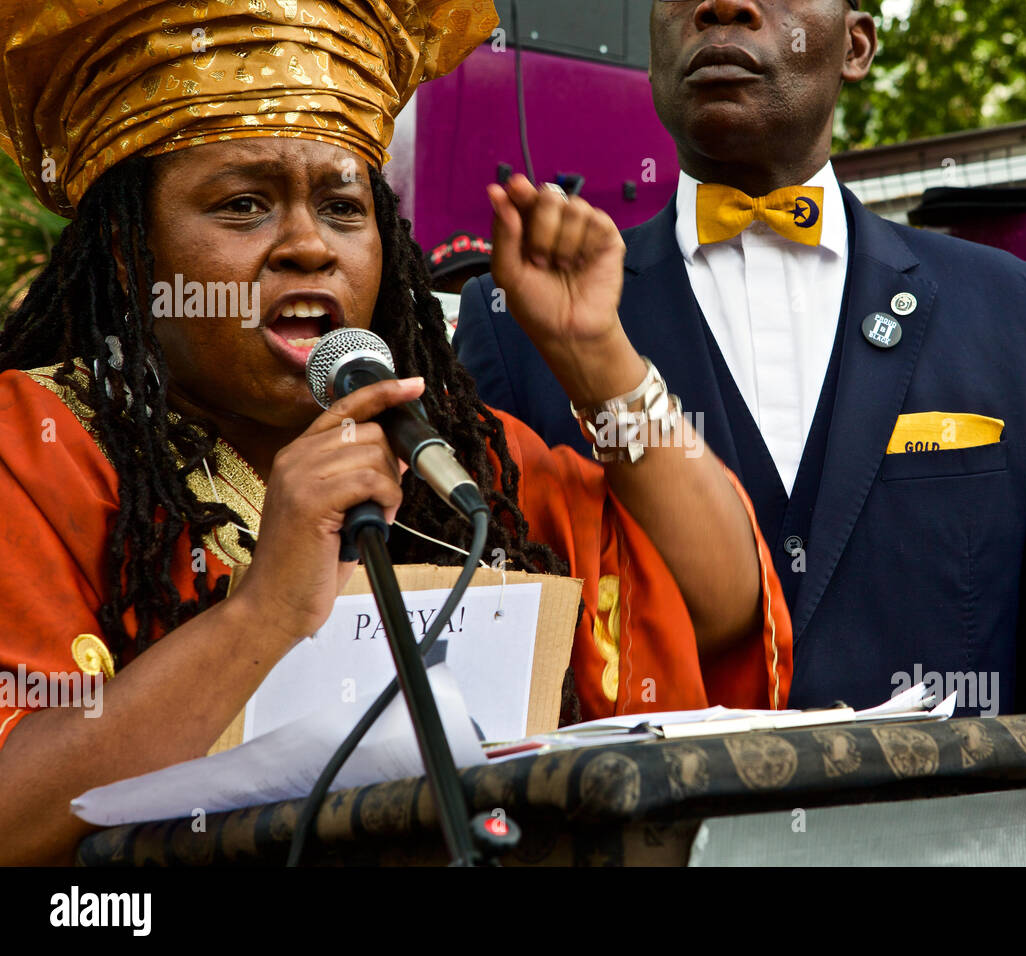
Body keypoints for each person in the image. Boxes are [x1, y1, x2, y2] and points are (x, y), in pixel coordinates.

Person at [0, 0, 791, 865]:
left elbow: (723, 610)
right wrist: (265, 612)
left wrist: (594, 353)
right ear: (129, 255)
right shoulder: (38, 444)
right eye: (242, 206)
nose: (309, 246)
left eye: (342, 207)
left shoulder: (460, 459)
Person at [455, 0, 1026, 865]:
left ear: (857, 44)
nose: (721, 3)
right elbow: (493, 706)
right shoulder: (519, 328)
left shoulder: (1017, 319)